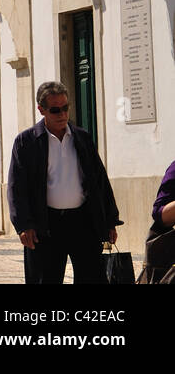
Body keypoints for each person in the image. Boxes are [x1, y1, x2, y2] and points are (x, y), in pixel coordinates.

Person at [8, 81, 119, 284]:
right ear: (41, 110)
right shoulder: (26, 142)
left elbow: (100, 181)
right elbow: (17, 187)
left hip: (83, 222)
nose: (62, 114)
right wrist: (23, 224)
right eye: (55, 110)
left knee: (92, 279)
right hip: (45, 225)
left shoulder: (82, 138)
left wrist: (110, 220)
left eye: (65, 108)